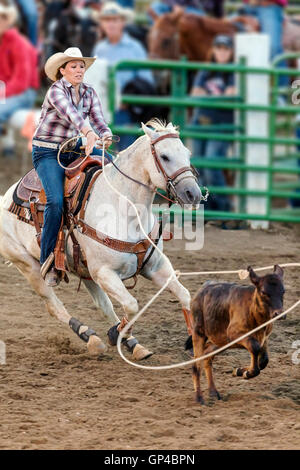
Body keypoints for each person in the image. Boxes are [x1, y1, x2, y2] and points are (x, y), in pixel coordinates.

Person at [32, 47, 113, 286]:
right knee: (55, 201)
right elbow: (73, 116)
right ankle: (46, 259)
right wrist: (88, 133)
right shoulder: (56, 91)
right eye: (73, 66)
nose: (79, 70)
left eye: (81, 66)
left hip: (73, 148)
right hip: (47, 151)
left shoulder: (89, 92)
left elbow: (98, 118)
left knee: (111, 166)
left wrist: (105, 134)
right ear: (62, 70)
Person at [93, 2, 154, 150]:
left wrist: (127, 99)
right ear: (102, 24)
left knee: (126, 152)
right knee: (96, 151)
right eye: (107, 20)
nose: (111, 24)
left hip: (126, 110)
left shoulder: (135, 48)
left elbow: (146, 81)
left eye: (115, 20)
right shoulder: (99, 48)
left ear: (122, 22)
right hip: (102, 108)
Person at [190, 35, 236, 213]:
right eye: (219, 48)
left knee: (211, 165)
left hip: (220, 125)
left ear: (231, 52)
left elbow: (231, 96)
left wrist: (206, 97)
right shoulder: (206, 71)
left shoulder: (233, 72)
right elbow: (195, 93)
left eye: (225, 49)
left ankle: (222, 207)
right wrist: (219, 97)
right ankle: (206, 209)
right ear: (214, 50)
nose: (222, 52)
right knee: (199, 167)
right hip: (201, 122)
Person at [0, 0, 39, 157]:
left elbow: (21, 82)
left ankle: (7, 143)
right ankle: (7, 145)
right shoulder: (2, 42)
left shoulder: (19, 43)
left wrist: (1, 93)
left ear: (8, 21)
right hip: (7, 89)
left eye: (2, 17)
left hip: (25, 92)